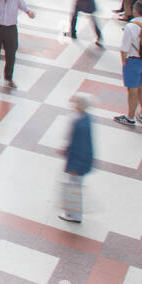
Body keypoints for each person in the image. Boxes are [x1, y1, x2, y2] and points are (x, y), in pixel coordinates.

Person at [116, 0, 142, 127]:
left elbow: (124, 49)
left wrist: (124, 63)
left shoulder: (131, 26)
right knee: (140, 86)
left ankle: (130, 118)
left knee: (132, 91)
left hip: (134, 61)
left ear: (135, 10)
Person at [60, 94, 95, 223]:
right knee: (74, 185)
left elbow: (79, 146)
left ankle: (74, 214)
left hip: (78, 162)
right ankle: (72, 212)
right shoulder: (86, 119)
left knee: (74, 186)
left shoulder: (80, 124)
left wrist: (74, 165)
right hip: (81, 160)